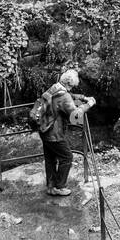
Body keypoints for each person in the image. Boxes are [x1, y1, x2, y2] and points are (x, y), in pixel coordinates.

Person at [40, 69, 95, 197]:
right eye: (71, 86)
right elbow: (75, 116)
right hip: (54, 134)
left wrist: (82, 97)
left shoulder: (54, 88)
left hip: (44, 129)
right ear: (69, 84)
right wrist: (88, 104)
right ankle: (60, 187)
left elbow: (68, 95)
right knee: (67, 157)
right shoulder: (64, 96)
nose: (71, 88)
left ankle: (51, 186)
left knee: (50, 159)